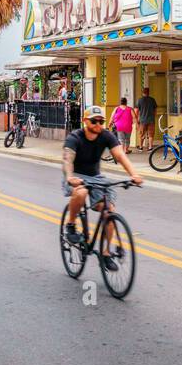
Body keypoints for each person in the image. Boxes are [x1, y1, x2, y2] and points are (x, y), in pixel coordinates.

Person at [62, 104, 143, 263]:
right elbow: (67, 159)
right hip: (76, 175)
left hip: (96, 177)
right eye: (94, 121)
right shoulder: (75, 137)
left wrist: (134, 174)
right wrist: (70, 177)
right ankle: (70, 225)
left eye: (101, 121)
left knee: (108, 210)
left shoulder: (106, 136)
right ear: (85, 121)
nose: (98, 125)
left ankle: (105, 253)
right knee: (81, 192)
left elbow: (120, 155)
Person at [136, 86, 158, 151]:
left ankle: (141, 147)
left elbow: (137, 111)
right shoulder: (152, 100)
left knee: (142, 134)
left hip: (142, 120)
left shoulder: (139, 100)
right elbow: (155, 110)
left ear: (142, 92)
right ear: (148, 92)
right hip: (151, 120)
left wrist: (137, 119)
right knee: (151, 134)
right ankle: (150, 147)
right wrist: (154, 116)